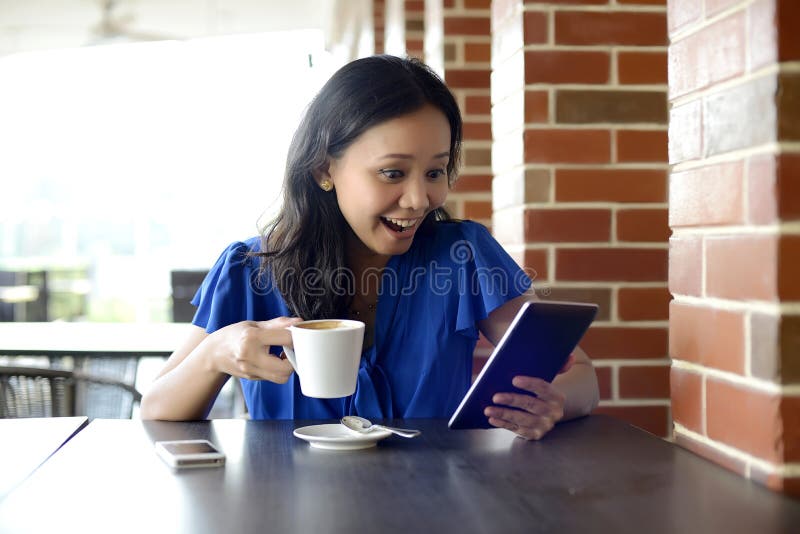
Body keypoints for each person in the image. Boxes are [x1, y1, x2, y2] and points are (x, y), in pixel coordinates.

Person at [140, 55, 599, 440]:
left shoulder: (463, 254)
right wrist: (216, 352)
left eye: (435, 172)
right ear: (324, 169)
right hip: (286, 506)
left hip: (435, 504)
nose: (420, 199)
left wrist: (557, 403)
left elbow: (582, 377)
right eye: (393, 173)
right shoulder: (250, 268)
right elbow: (155, 408)